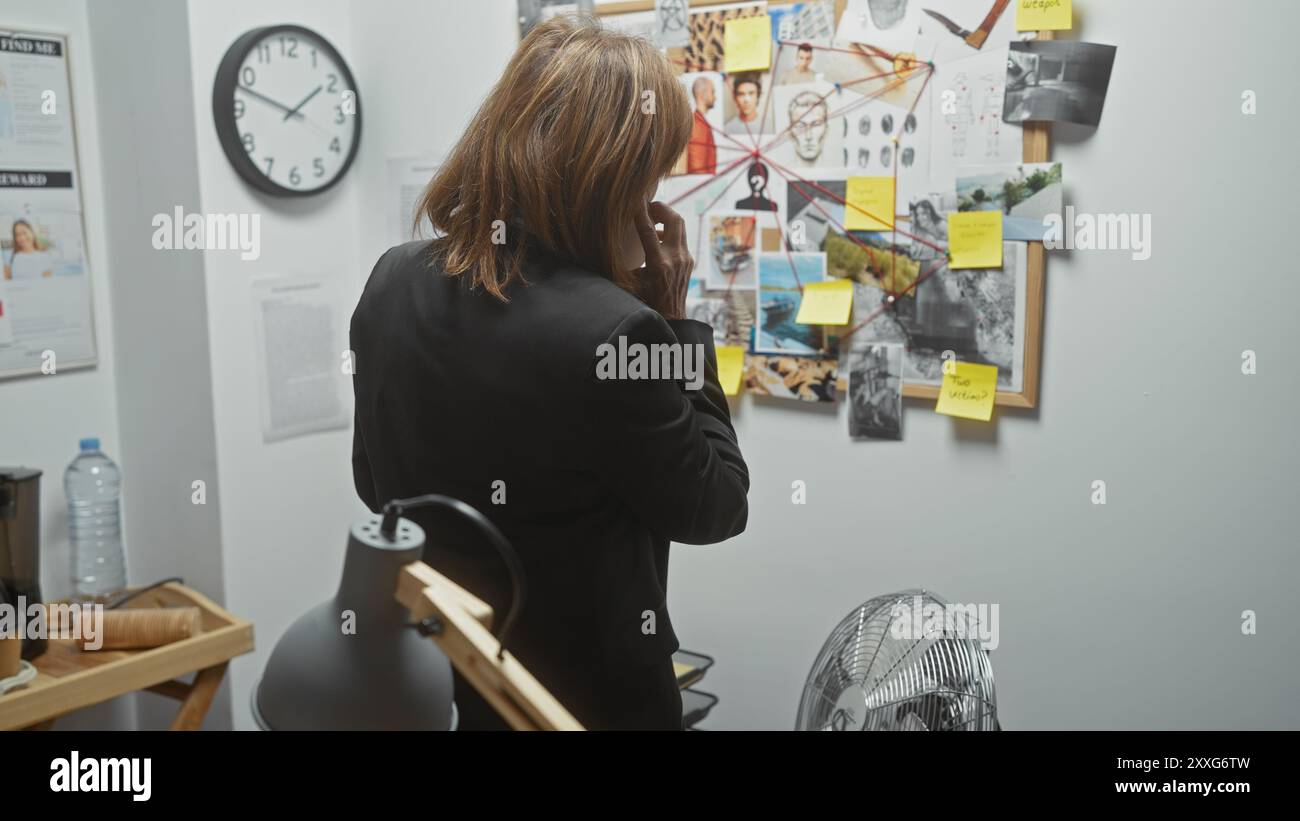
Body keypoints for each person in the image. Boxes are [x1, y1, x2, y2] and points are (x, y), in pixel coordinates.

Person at [349, 16, 749, 731]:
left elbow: (376, 485)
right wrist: (678, 322)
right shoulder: (617, 330)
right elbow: (717, 506)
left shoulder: (392, 281)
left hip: (455, 683)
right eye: (651, 175)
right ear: (614, 181)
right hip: (592, 704)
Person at [686, 76, 717, 174]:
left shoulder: (700, 121)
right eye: (712, 92)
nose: (715, 97)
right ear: (703, 94)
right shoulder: (698, 124)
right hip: (701, 182)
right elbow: (697, 165)